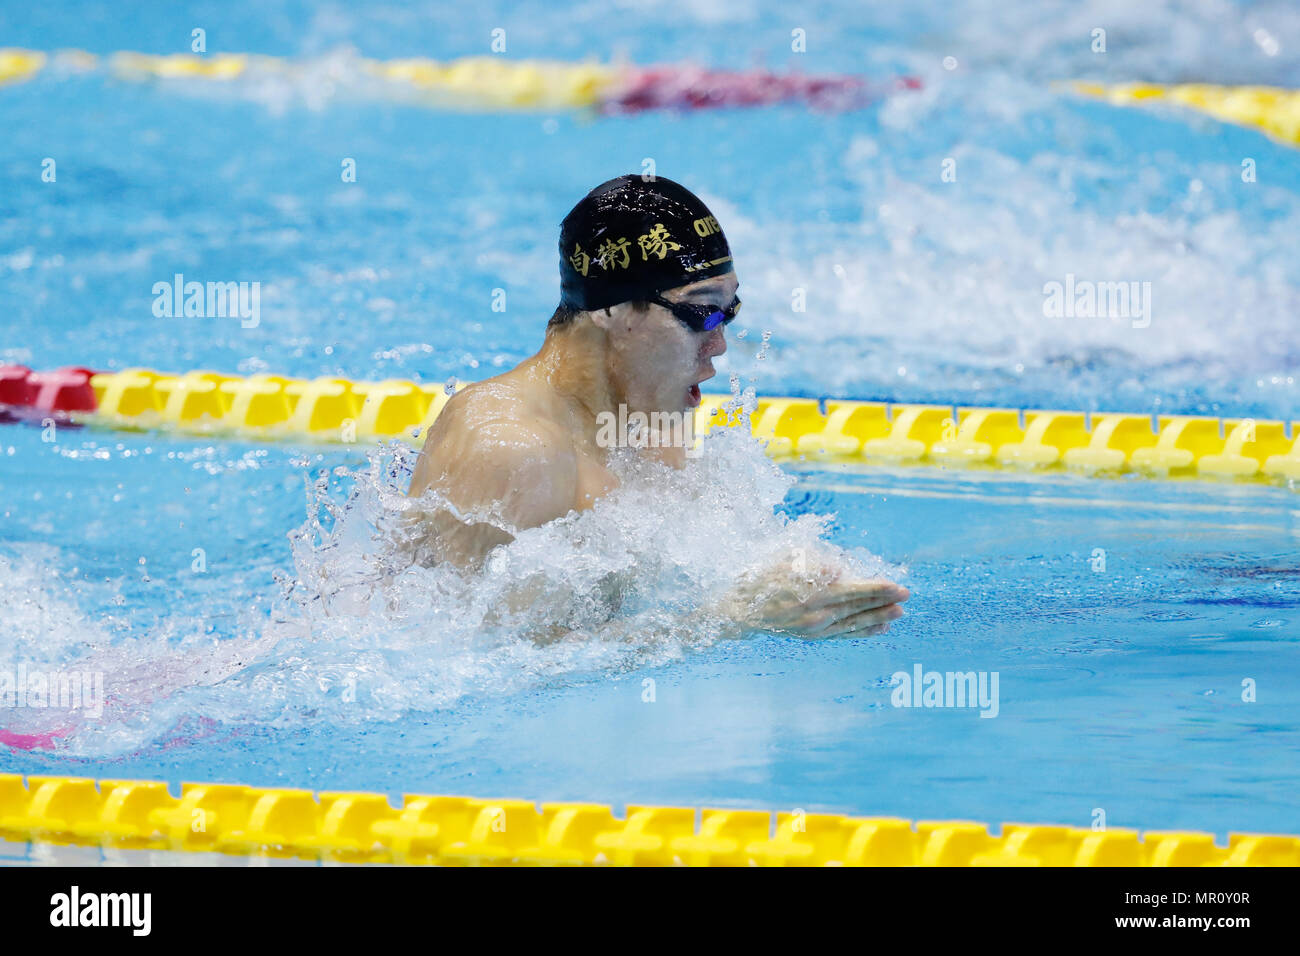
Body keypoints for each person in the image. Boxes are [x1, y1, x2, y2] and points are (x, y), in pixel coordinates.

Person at [408, 174, 909, 638]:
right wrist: (735, 618)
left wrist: (797, 578)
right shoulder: (512, 449)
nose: (719, 344)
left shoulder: (648, 422)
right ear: (610, 308)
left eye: (728, 313)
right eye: (700, 313)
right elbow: (487, 661)